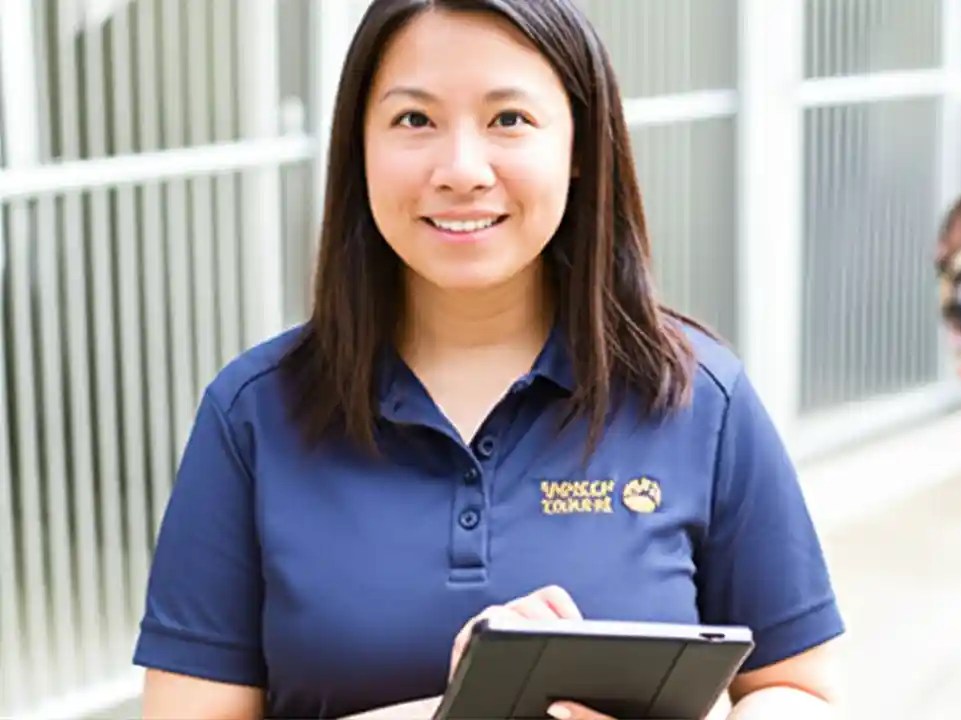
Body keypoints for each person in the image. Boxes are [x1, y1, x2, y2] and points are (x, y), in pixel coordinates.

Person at [132, 1, 845, 717]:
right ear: (359, 147)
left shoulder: (695, 397)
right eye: (415, 119)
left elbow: (798, 691)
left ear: (579, 146)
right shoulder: (255, 414)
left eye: (509, 118)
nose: (462, 170)